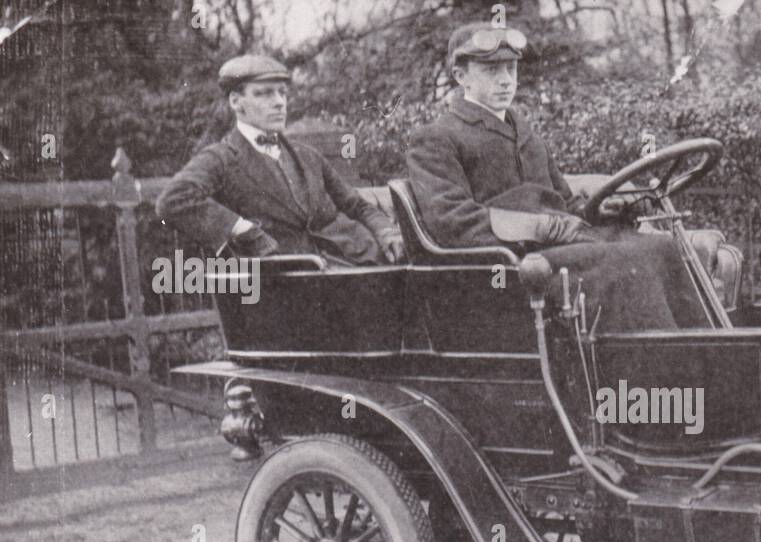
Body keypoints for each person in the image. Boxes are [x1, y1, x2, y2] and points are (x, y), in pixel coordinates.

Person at [405, 23, 710, 331]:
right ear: (461, 76)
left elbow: (562, 201)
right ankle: (651, 368)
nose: (505, 81)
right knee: (623, 259)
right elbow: (453, 221)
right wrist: (548, 228)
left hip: (557, 251)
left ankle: (702, 356)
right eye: (491, 70)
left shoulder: (526, 133)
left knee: (660, 246)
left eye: (511, 69)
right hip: (513, 265)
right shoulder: (436, 137)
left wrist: (599, 209)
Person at [157, 54, 404, 265]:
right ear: (236, 102)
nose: (279, 102)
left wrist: (386, 230)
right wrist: (243, 229)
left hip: (354, 263)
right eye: (264, 94)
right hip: (289, 281)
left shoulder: (308, 156)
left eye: (282, 93)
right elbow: (173, 200)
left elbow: (356, 205)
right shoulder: (220, 158)